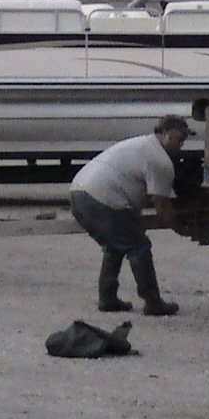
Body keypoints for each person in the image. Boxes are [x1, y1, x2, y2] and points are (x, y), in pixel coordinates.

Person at [69, 115, 190, 317]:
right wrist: (181, 228)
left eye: (183, 140)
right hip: (102, 198)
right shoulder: (159, 160)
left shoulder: (141, 144)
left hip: (79, 194)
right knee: (139, 246)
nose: (181, 145)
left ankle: (108, 298)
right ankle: (153, 302)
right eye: (179, 139)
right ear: (164, 134)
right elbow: (162, 207)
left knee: (115, 245)